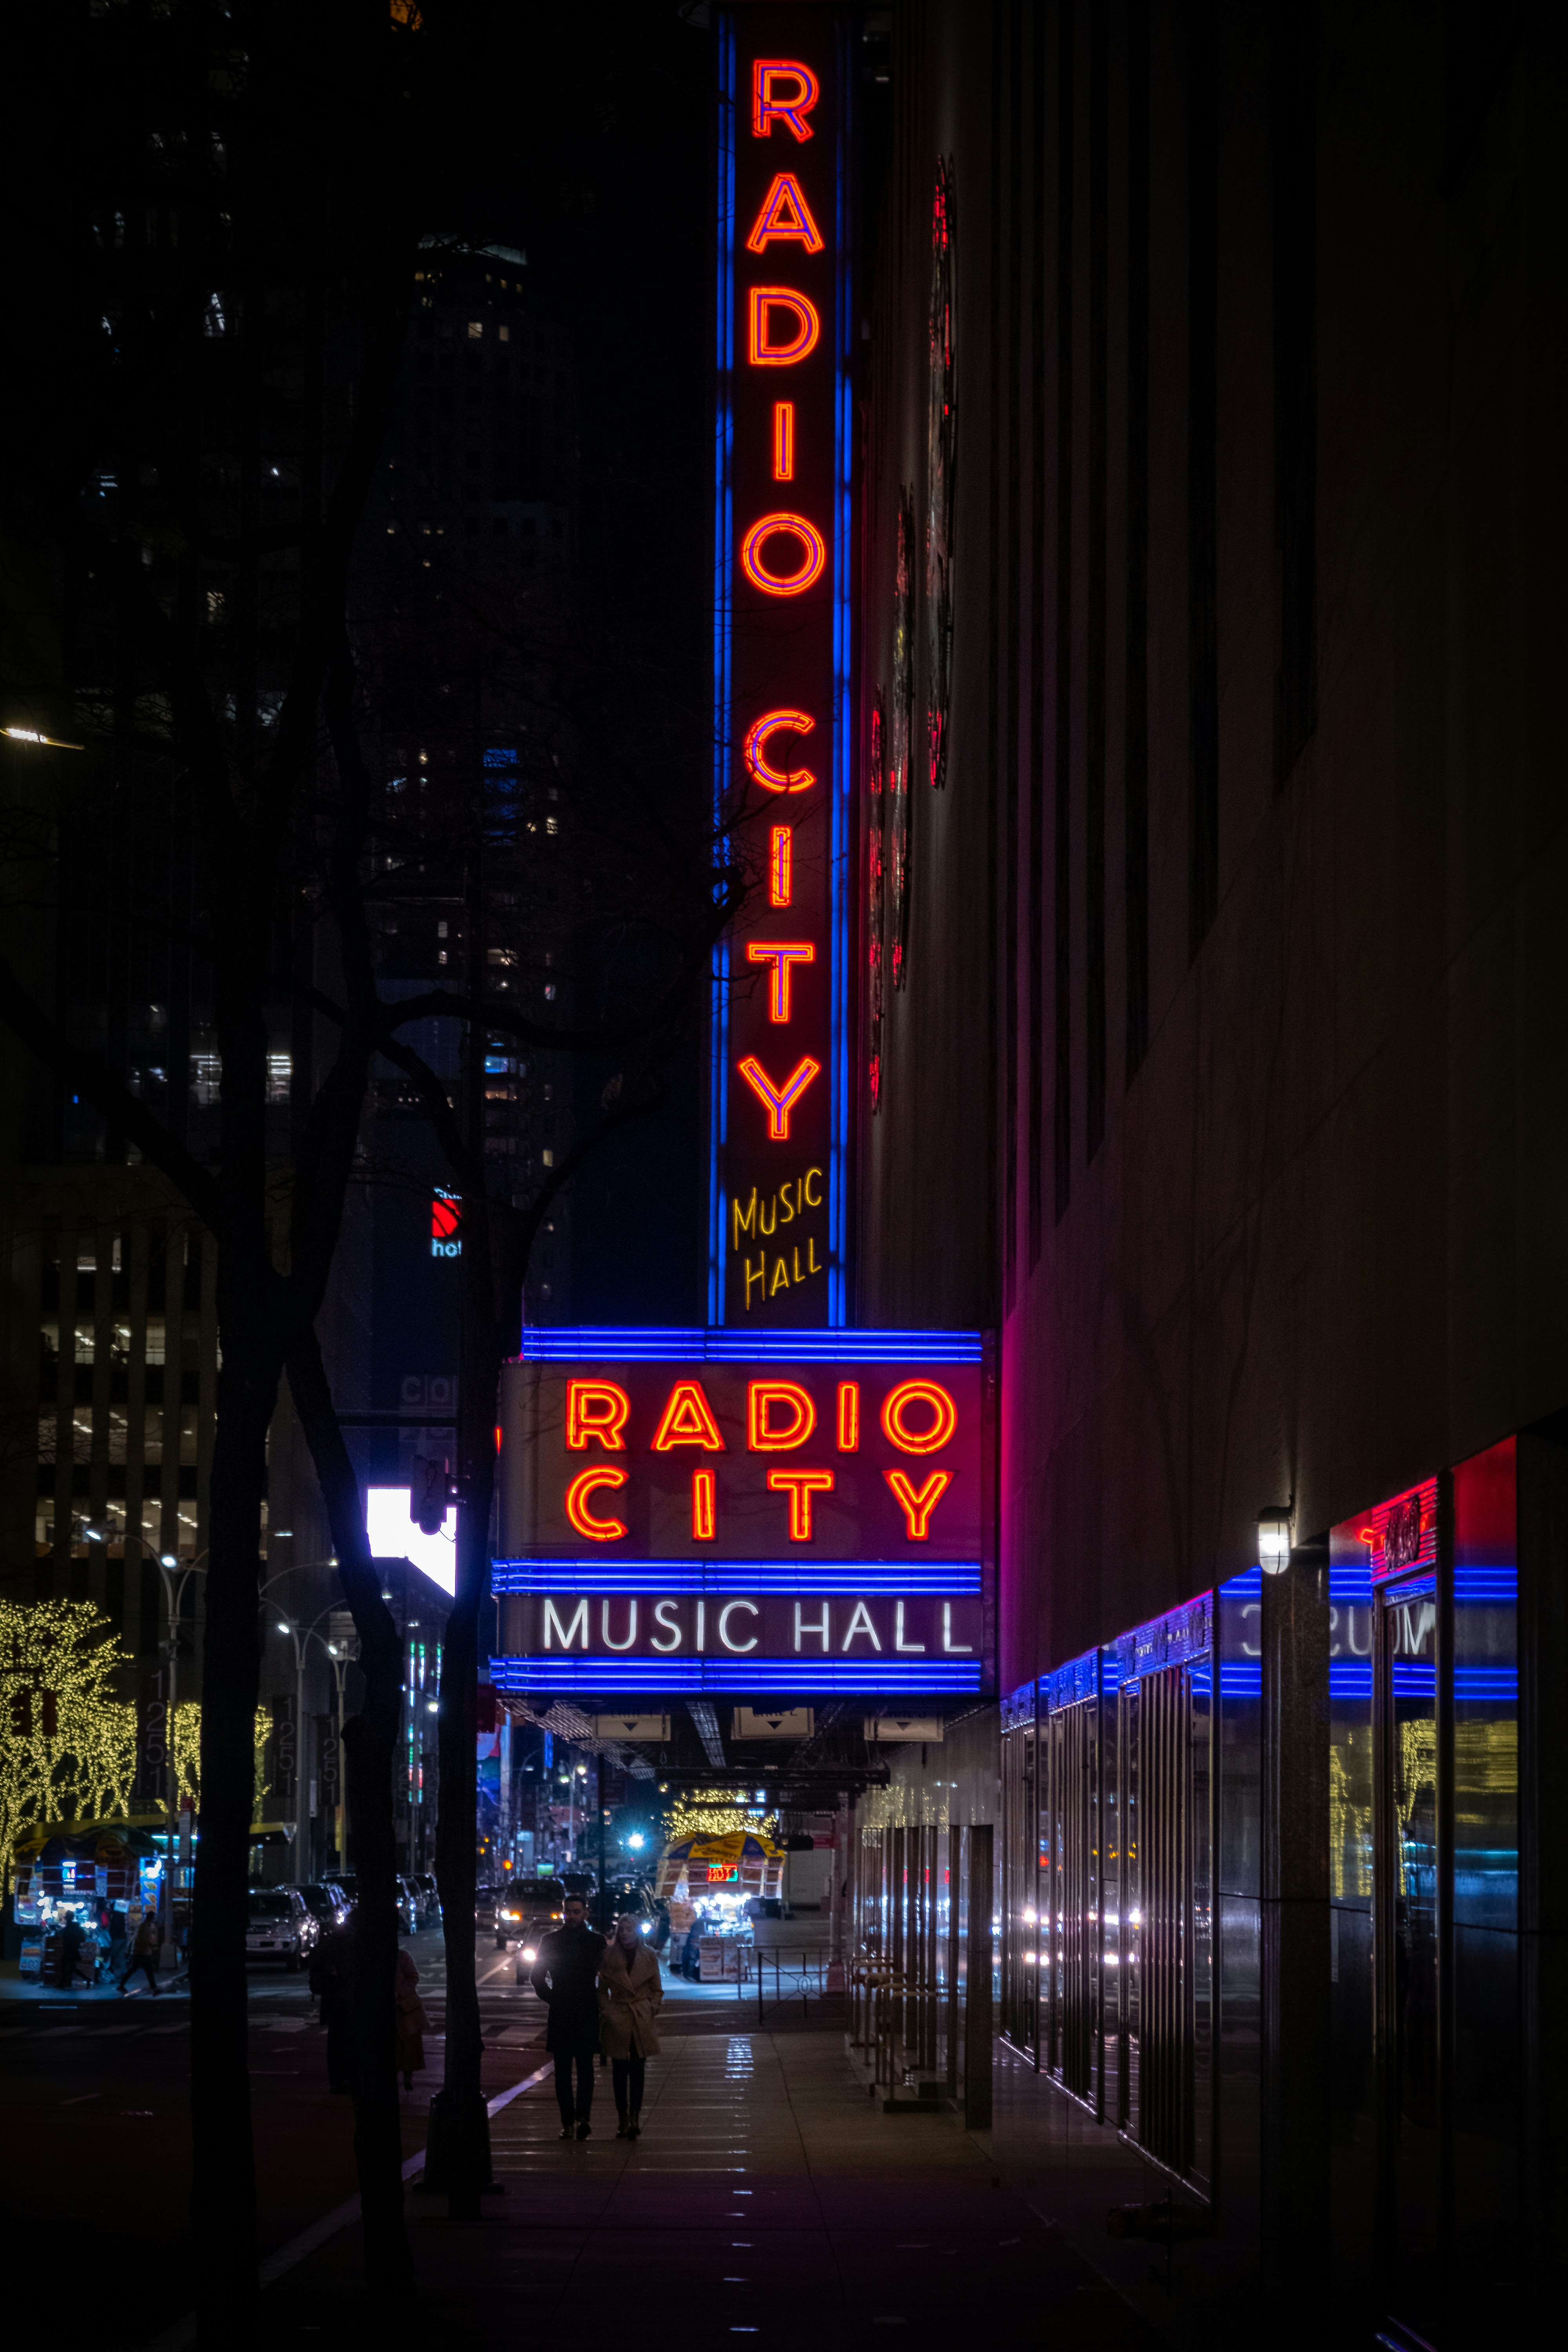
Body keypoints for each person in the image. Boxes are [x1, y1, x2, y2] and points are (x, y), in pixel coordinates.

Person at [529, 1890, 605, 2140]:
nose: (571, 1916)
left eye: (576, 1912)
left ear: (585, 1913)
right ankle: (570, 2121)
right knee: (564, 2072)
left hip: (581, 2009)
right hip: (568, 2009)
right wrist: (554, 1998)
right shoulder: (552, 1940)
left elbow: (606, 1977)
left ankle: (581, 2119)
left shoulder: (596, 1942)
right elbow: (537, 1977)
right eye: (568, 1911)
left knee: (584, 2070)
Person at [598, 1913, 663, 2140]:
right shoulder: (609, 1956)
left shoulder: (648, 1956)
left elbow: (657, 1989)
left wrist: (652, 2007)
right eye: (621, 1930)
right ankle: (623, 2119)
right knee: (619, 2072)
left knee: (638, 2071)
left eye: (629, 1929)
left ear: (636, 1931)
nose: (625, 1933)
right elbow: (601, 1990)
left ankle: (635, 2118)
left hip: (640, 2017)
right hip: (619, 2016)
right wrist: (608, 2011)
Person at [309, 1915, 355, 2092]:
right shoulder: (354, 1944)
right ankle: (349, 2078)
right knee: (351, 2041)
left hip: (331, 2000)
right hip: (349, 1999)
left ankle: (336, 2080)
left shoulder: (326, 1946)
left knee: (335, 2041)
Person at [394, 1944, 430, 2093]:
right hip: (403, 2007)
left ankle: (407, 2076)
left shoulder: (402, 1956)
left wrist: (399, 1993)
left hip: (404, 2007)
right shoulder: (401, 1956)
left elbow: (413, 1977)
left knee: (408, 2045)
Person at [117, 1909, 160, 1997]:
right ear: (151, 1918)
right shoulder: (144, 1927)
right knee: (136, 1969)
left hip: (144, 1952)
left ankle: (154, 1989)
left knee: (148, 1971)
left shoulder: (146, 1926)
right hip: (141, 1953)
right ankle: (121, 1985)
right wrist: (150, 1945)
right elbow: (141, 1940)